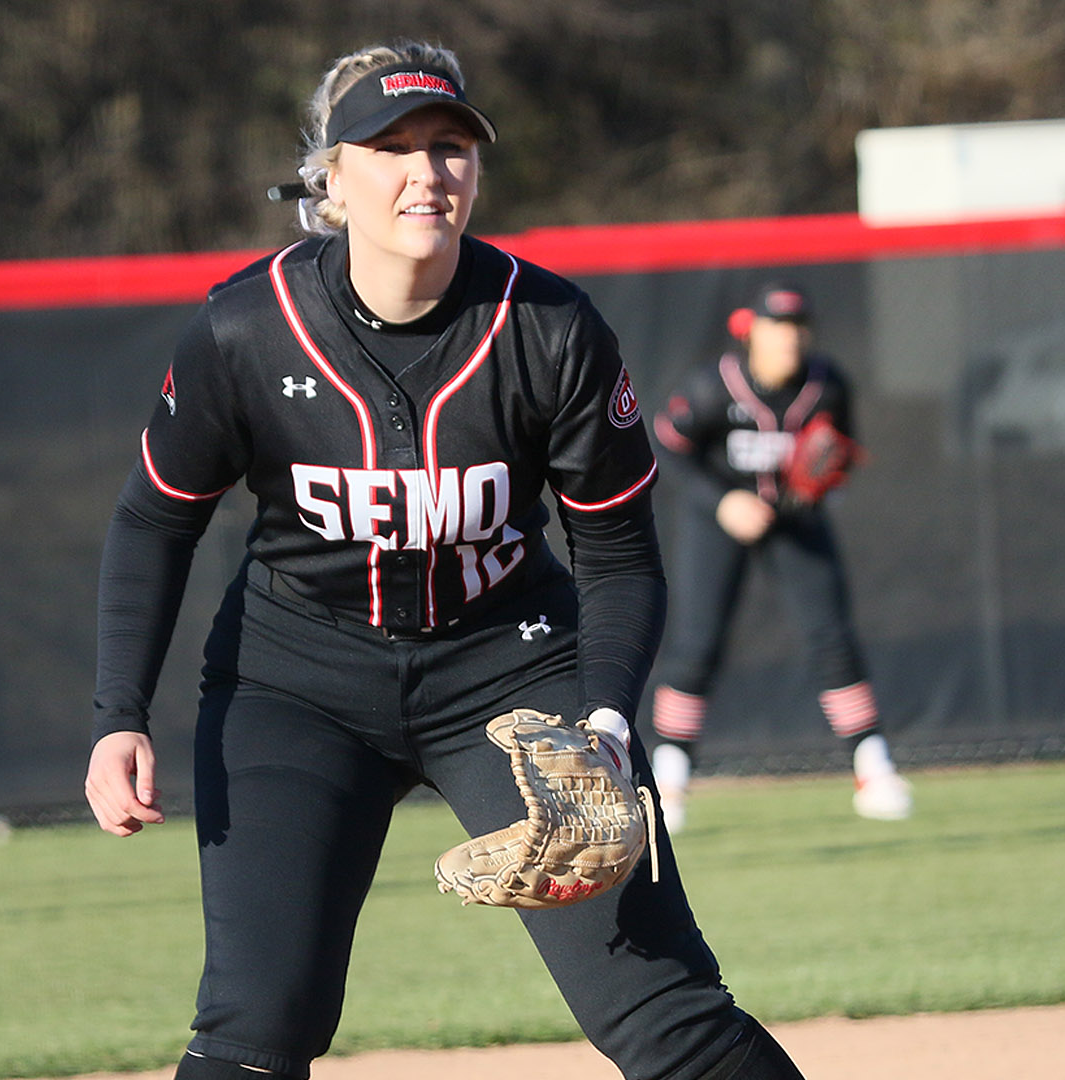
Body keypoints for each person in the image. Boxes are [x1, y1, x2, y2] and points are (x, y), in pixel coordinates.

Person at [84, 40, 807, 1080]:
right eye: (391, 147)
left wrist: (603, 726)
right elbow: (154, 520)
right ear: (332, 178)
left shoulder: (548, 327)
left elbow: (616, 552)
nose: (427, 172)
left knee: (665, 1014)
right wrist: (119, 716)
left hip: (510, 674)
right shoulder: (246, 330)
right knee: (256, 1027)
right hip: (297, 682)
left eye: (451, 146)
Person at [646, 283, 912, 826]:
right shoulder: (711, 387)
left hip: (795, 519)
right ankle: (668, 782)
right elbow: (669, 448)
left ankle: (873, 767)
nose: (788, 338)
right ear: (752, 332)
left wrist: (824, 486)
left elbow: (844, 451)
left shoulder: (827, 382)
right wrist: (722, 501)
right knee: (697, 645)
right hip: (719, 520)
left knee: (832, 637)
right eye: (776, 327)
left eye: (796, 327)